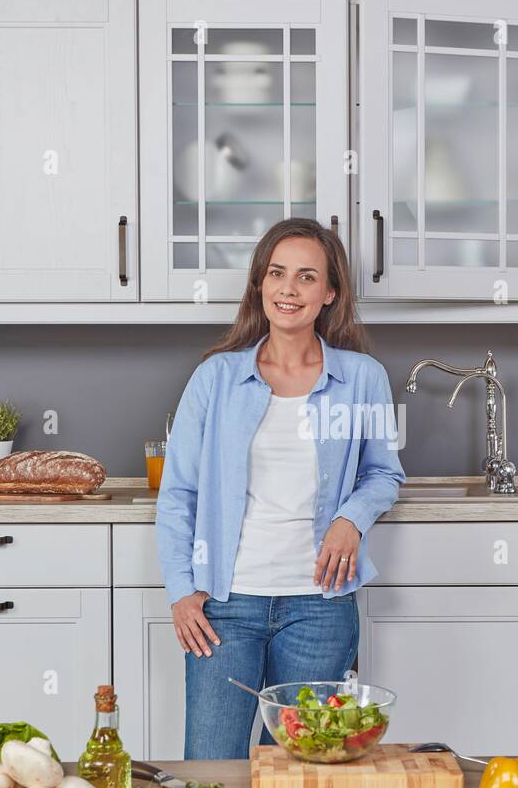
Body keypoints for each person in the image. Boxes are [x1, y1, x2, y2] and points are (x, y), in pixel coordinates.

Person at [154, 218, 405, 760]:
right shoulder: (216, 378)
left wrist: (350, 518)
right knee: (211, 768)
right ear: (260, 285)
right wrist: (180, 589)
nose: (289, 289)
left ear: (330, 292)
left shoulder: (362, 378)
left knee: (303, 772)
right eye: (277, 273)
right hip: (224, 604)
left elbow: (384, 473)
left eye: (307, 277)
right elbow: (179, 493)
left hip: (319, 607)